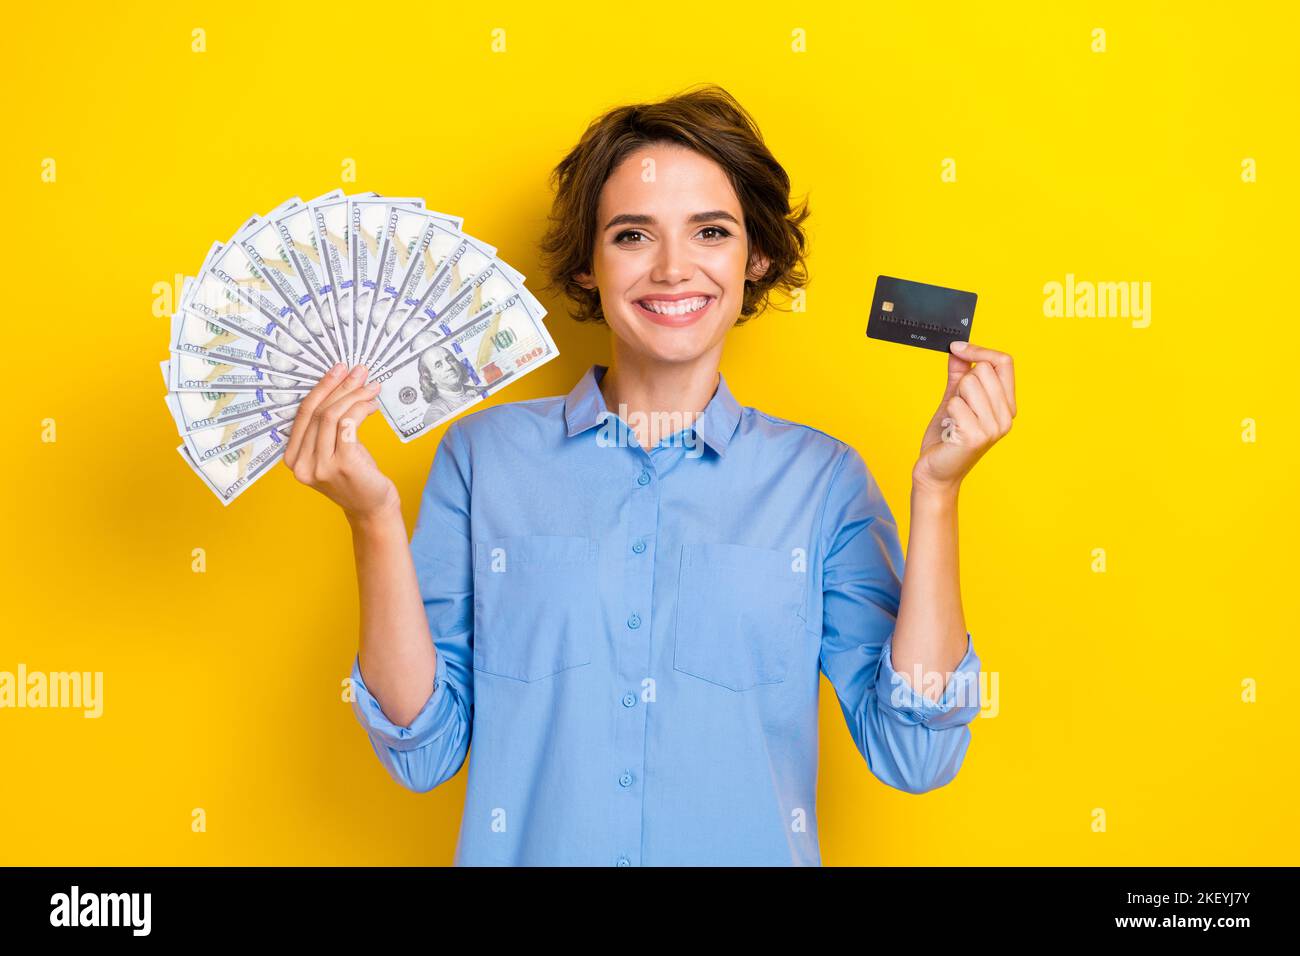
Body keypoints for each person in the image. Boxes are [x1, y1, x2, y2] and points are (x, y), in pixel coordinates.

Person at [283, 84, 1017, 866]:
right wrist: (371, 520)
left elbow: (916, 755)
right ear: (591, 266)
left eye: (710, 231)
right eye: (633, 235)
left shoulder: (822, 482)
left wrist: (938, 494)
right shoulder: (481, 460)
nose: (673, 269)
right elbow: (421, 750)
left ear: (755, 257)